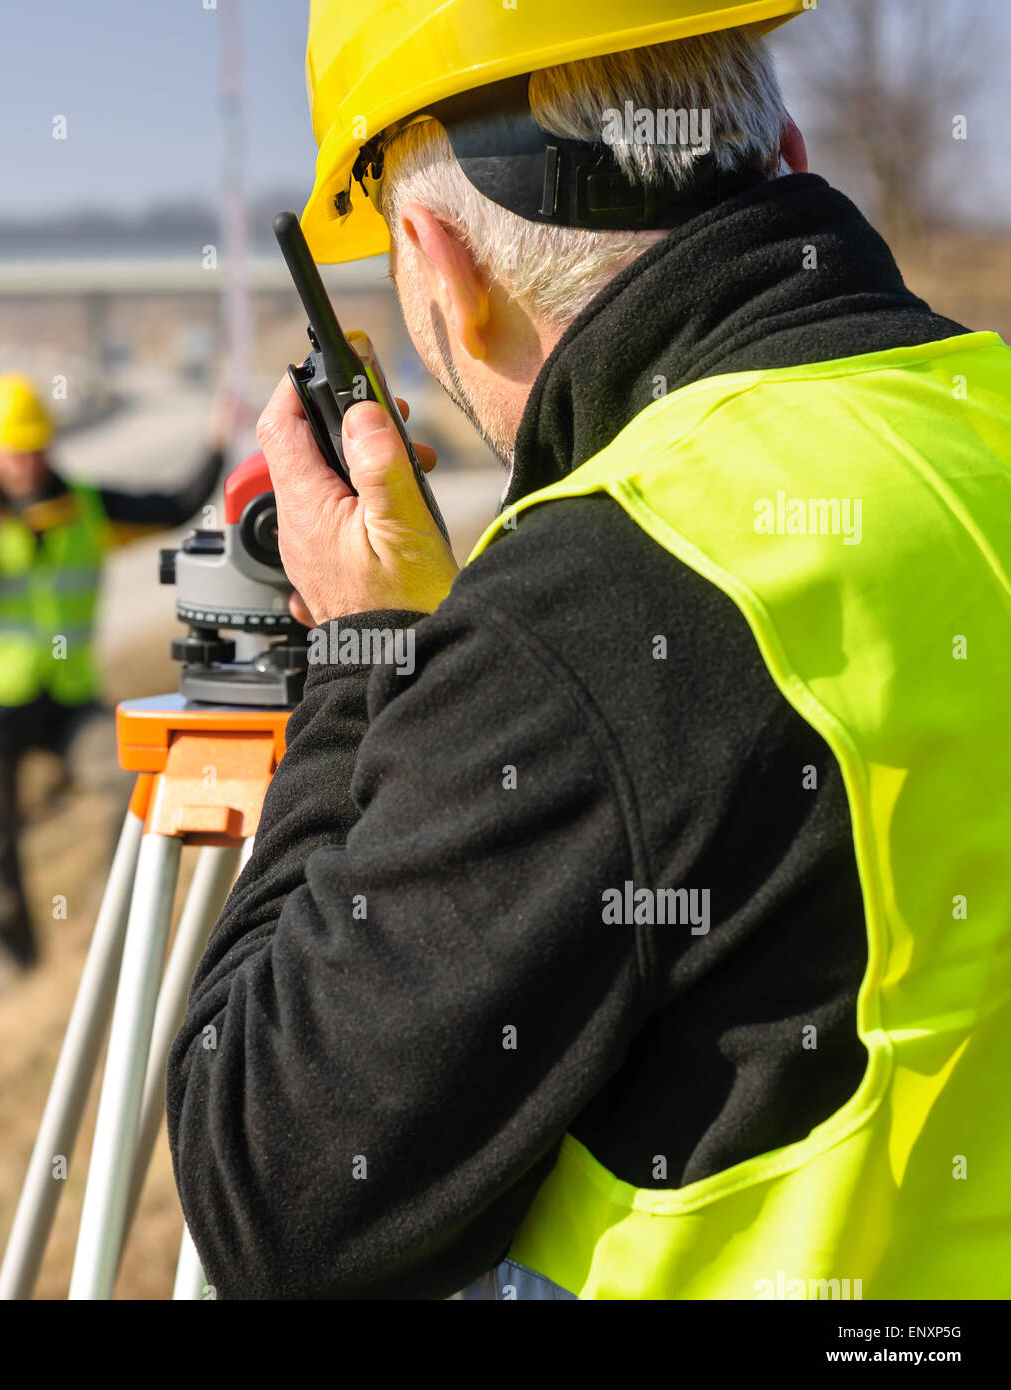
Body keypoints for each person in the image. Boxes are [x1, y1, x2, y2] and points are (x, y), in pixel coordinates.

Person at [165, 1, 1011, 1299]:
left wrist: (367, 657)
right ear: (782, 148)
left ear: (437, 265)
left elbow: (272, 1198)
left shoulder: (601, 601)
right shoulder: (982, 414)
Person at [0, 372, 228, 983]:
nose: (26, 462)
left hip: (66, 701)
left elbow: (171, 506)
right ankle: (12, 970)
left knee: (131, 787)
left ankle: (105, 928)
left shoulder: (85, 505)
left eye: (35, 447)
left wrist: (218, 443)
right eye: (14, 449)